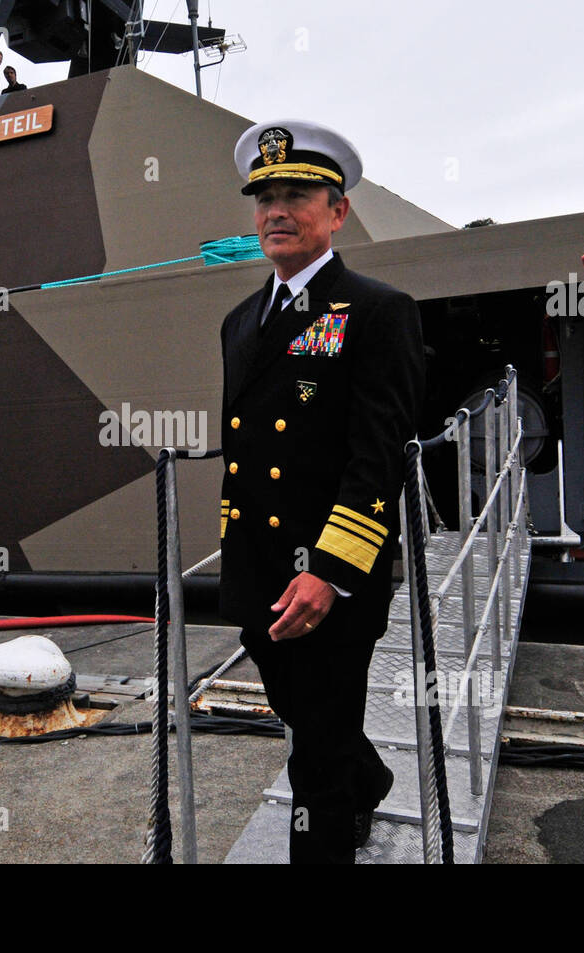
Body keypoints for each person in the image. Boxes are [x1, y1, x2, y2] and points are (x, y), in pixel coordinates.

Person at [219, 120, 424, 862]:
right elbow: (240, 451)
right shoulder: (239, 321)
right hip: (258, 570)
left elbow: (378, 456)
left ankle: (333, 826)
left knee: (317, 751)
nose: (277, 209)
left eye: (297, 194)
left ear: (337, 211)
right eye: (266, 195)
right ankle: (365, 776)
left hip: (329, 573)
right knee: (304, 715)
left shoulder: (375, 309)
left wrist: (332, 572)